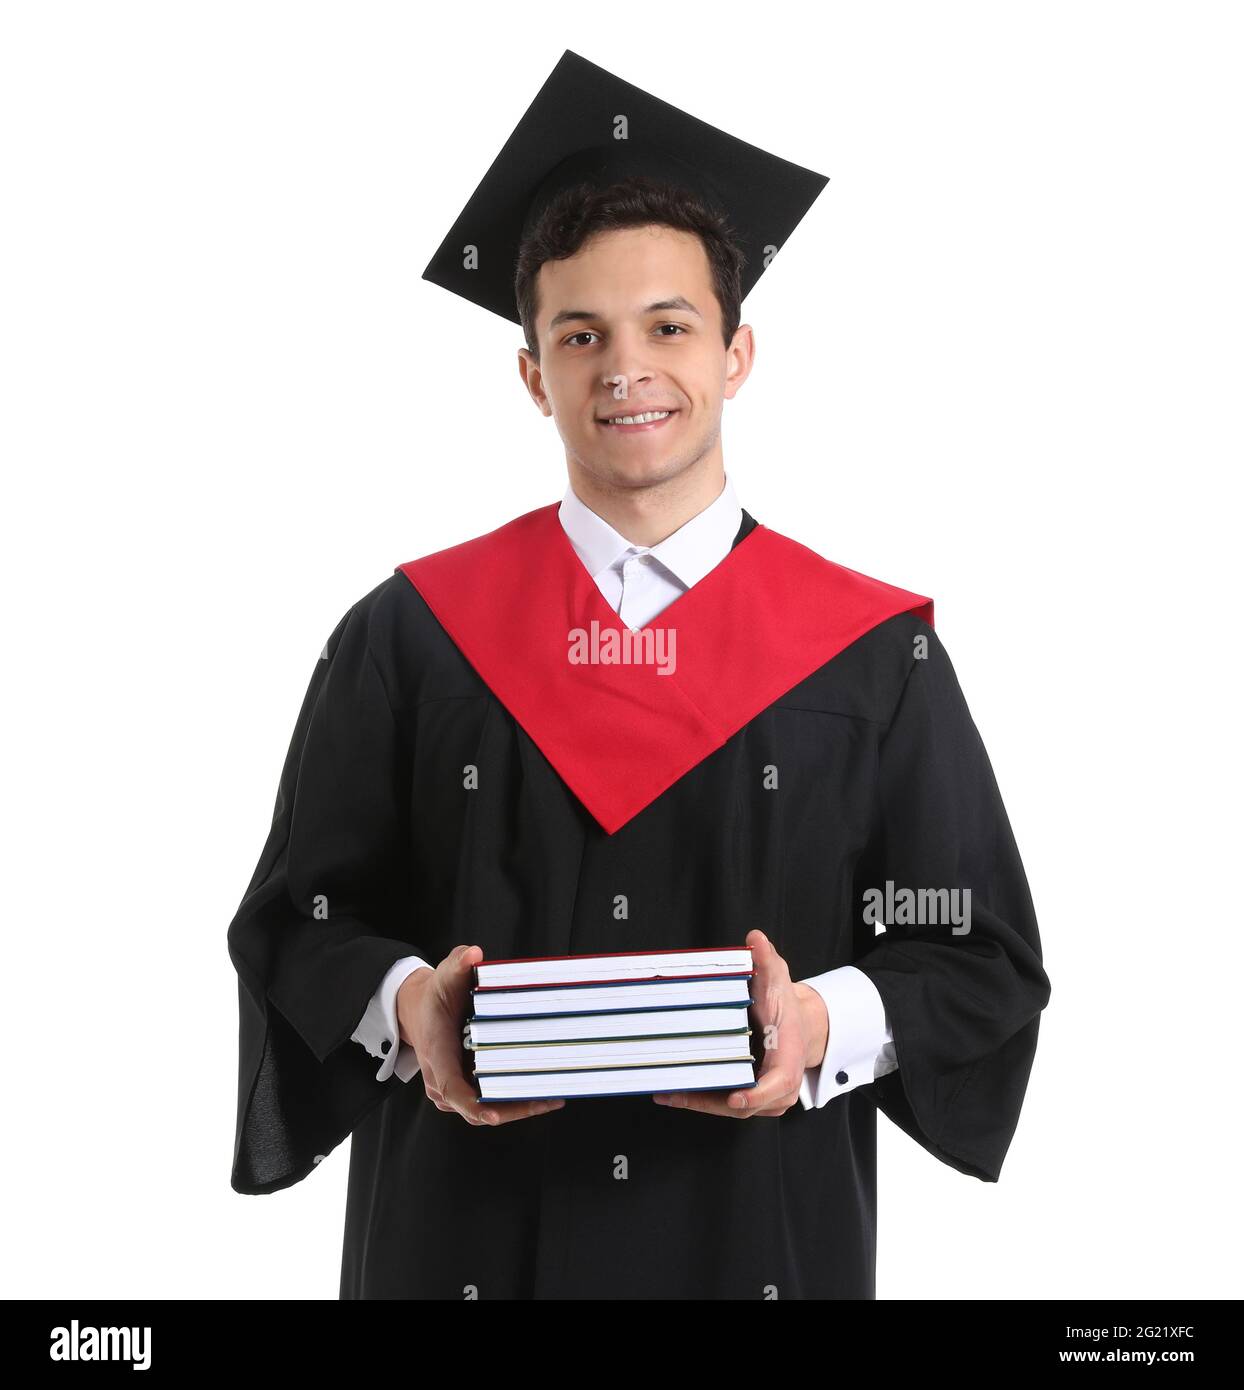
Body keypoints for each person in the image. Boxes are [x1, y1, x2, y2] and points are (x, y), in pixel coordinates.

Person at [226, 49, 1051, 1300]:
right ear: (530, 372)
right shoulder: (406, 635)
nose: (626, 367)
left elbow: (970, 945)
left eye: (668, 325)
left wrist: (821, 1024)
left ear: (735, 354)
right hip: (460, 1244)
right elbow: (302, 916)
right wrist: (407, 1008)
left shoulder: (874, 654)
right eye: (580, 334)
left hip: (758, 1244)